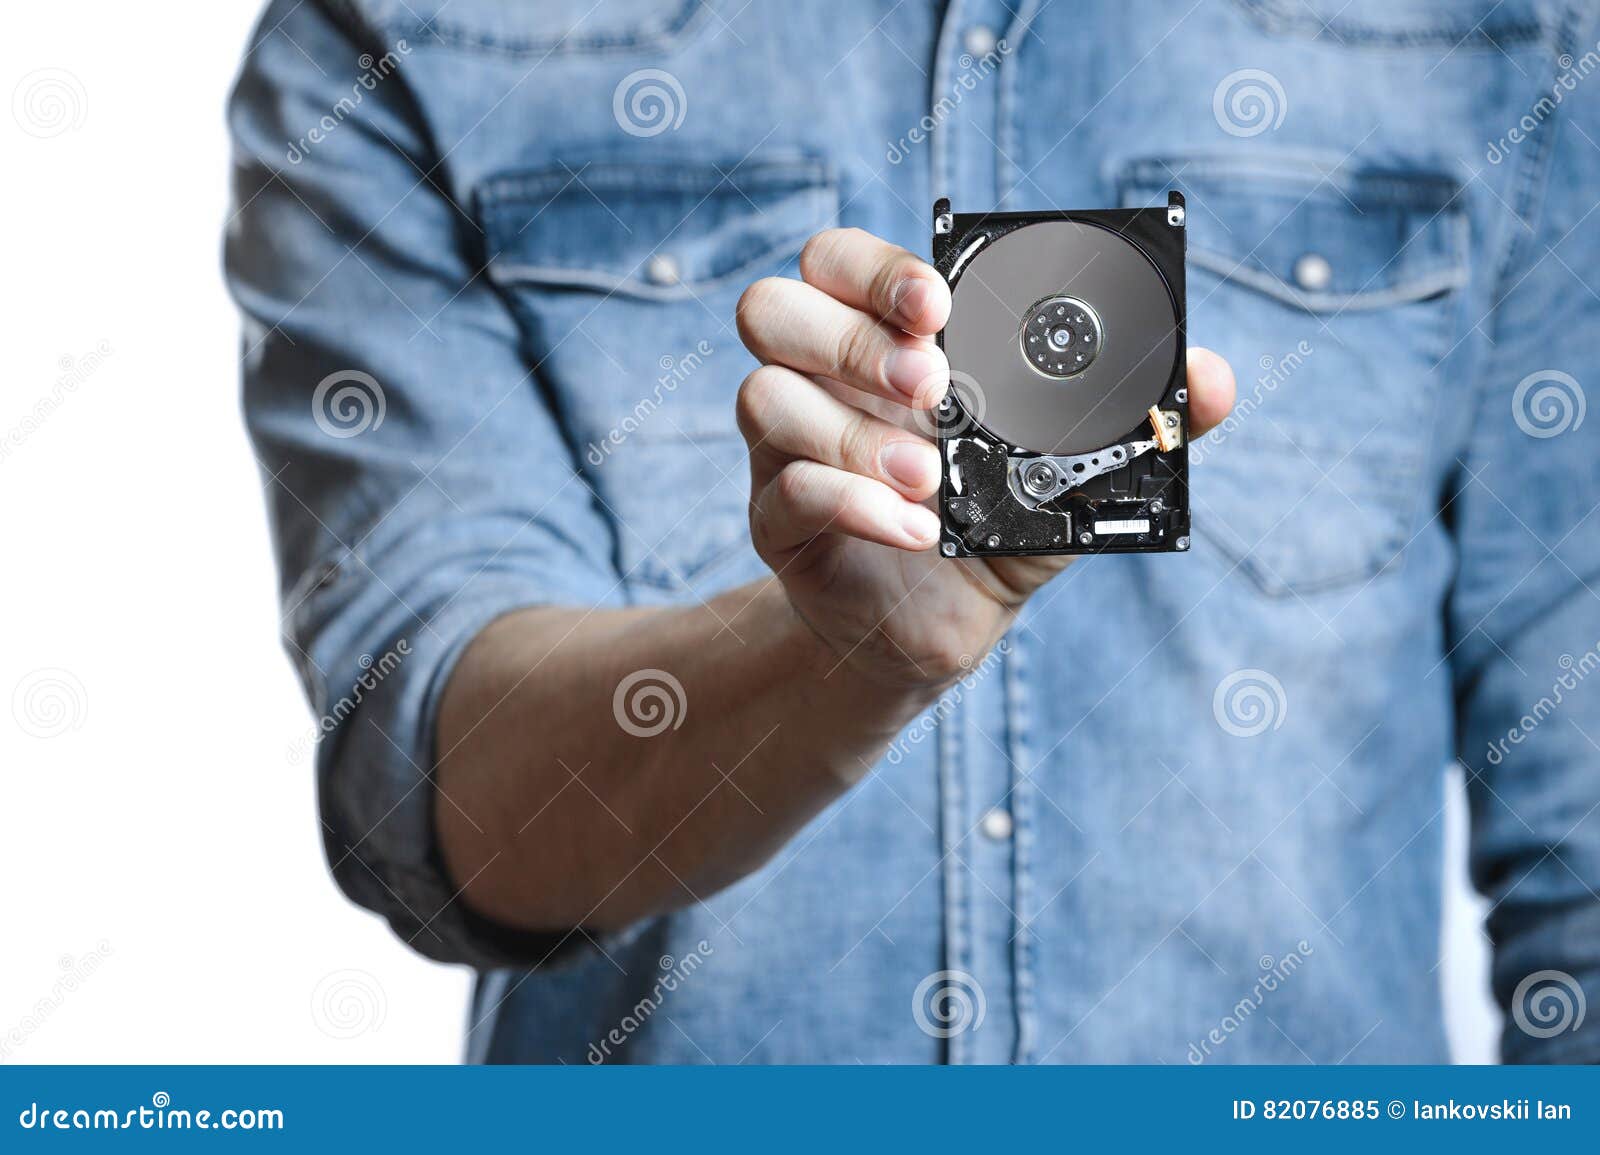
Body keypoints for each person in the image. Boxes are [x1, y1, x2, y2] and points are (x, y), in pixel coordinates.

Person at [226, 0, 1600, 1064]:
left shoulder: (1507, 33)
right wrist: (833, 665)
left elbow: (1582, 837)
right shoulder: (407, 33)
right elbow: (438, 790)